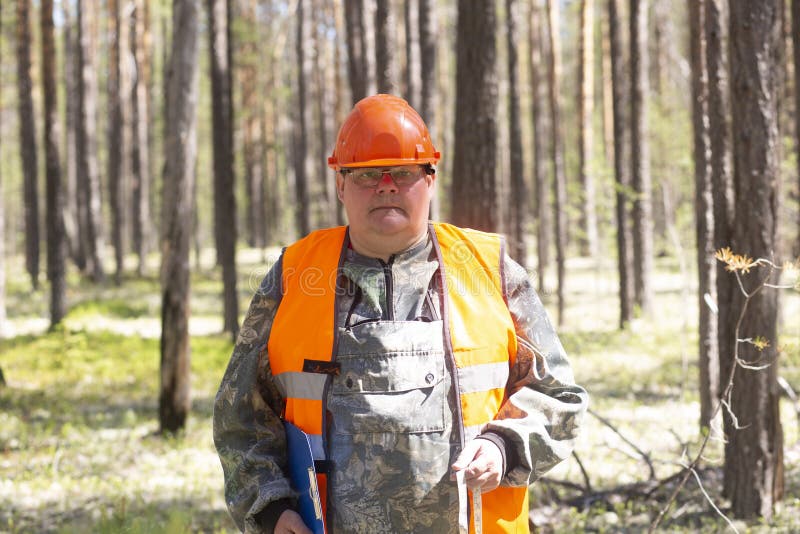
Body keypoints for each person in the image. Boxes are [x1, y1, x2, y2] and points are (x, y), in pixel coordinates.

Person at [213, 94, 588, 534]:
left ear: (430, 180)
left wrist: (503, 447)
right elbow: (240, 418)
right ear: (340, 184)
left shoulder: (489, 269)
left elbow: (559, 397)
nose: (386, 185)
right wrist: (273, 509)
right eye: (368, 174)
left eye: (404, 172)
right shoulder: (295, 276)